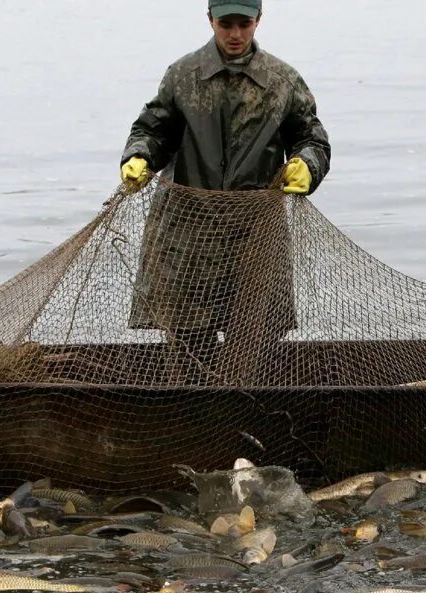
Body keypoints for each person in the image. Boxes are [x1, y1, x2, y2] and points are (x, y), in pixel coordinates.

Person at [119, 0, 331, 381]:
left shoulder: (282, 79)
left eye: (244, 24)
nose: (235, 34)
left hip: (255, 232)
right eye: (226, 24)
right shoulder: (183, 76)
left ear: (258, 21)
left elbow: (311, 138)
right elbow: (153, 131)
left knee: (255, 336)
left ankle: (240, 414)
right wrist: (139, 158)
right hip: (185, 231)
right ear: (210, 20)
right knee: (187, 344)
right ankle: (188, 417)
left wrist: (308, 166)